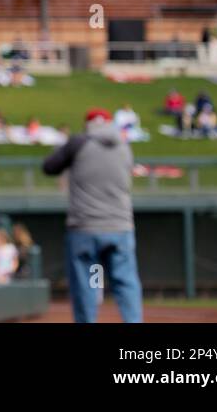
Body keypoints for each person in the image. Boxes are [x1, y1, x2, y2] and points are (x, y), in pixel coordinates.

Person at [43, 108, 143, 323]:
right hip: (120, 227)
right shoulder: (125, 146)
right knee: (126, 283)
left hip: (84, 228)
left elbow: (49, 167)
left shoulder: (78, 142)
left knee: (87, 286)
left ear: (87, 124)